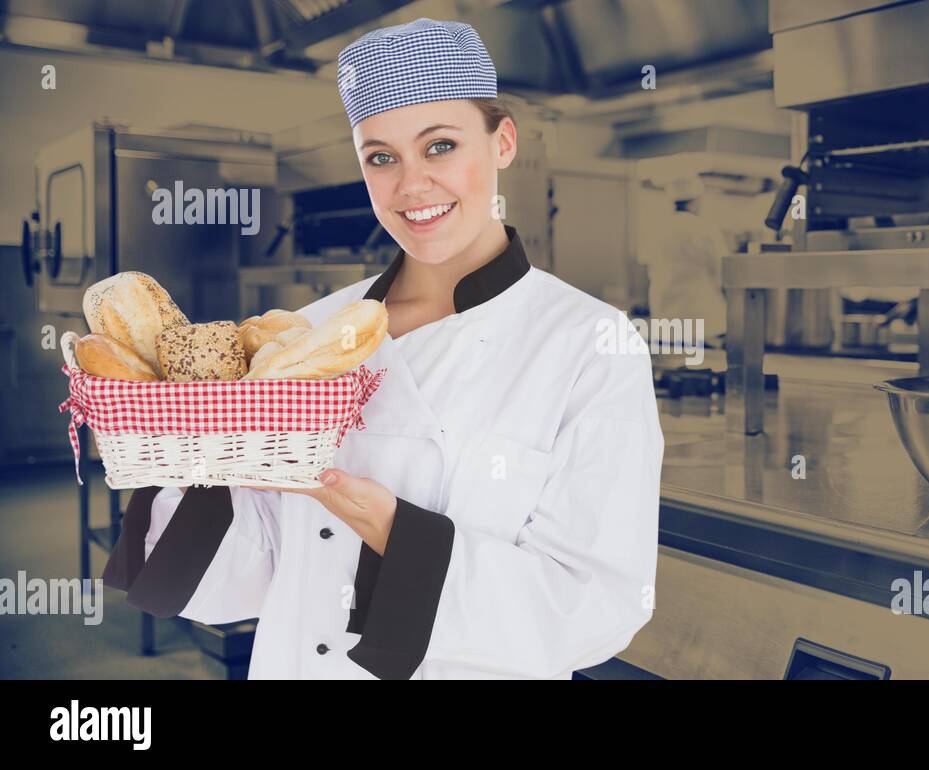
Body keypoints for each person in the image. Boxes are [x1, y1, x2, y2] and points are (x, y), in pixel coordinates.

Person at [101, 18, 664, 680]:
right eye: (381, 157)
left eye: (441, 145)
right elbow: (257, 567)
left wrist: (398, 536)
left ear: (503, 141)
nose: (411, 186)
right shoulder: (307, 331)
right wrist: (190, 468)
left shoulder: (587, 344)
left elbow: (600, 606)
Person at [637, 174, 730, 350]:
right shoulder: (704, 228)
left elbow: (649, 267)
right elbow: (723, 270)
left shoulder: (657, 228)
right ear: (694, 202)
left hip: (665, 320)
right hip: (703, 323)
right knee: (702, 369)